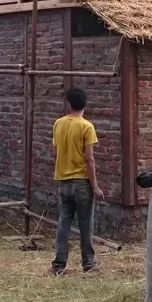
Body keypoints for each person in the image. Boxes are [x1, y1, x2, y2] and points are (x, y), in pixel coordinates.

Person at [51, 87, 104, 275]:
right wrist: (95, 186)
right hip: (82, 182)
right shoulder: (86, 127)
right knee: (85, 224)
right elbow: (89, 158)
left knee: (63, 223)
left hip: (63, 181)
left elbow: (56, 153)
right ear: (85, 104)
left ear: (68, 103)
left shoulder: (58, 124)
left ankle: (58, 265)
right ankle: (88, 264)